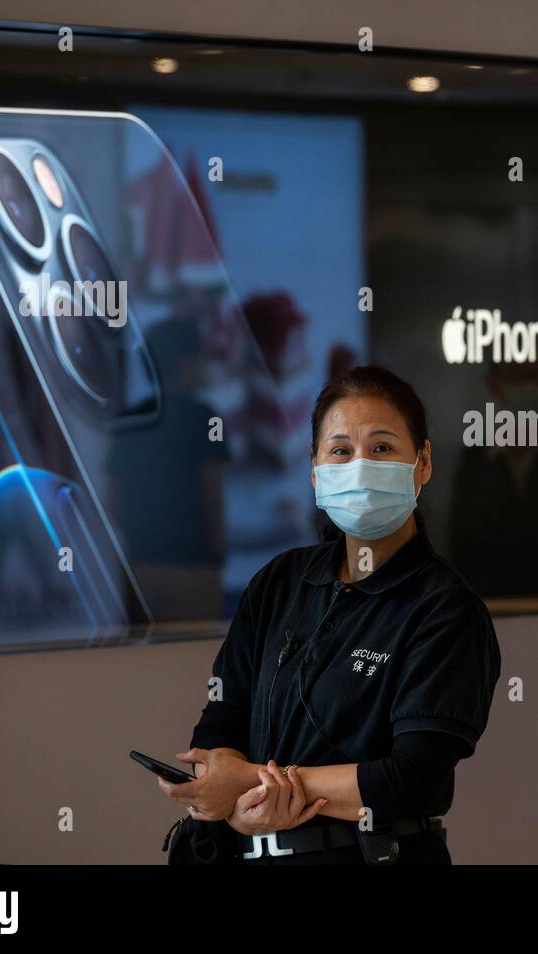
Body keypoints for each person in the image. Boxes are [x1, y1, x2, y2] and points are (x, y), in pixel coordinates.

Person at [159, 365, 502, 864]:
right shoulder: (279, 583)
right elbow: (221, 721)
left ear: (423, 463)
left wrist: (259, 784)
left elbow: (413, 777)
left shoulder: (443, 608)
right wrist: (239, 793)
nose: (360, 465)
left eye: (382, 448)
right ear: (316, 469)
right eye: (340, 450)